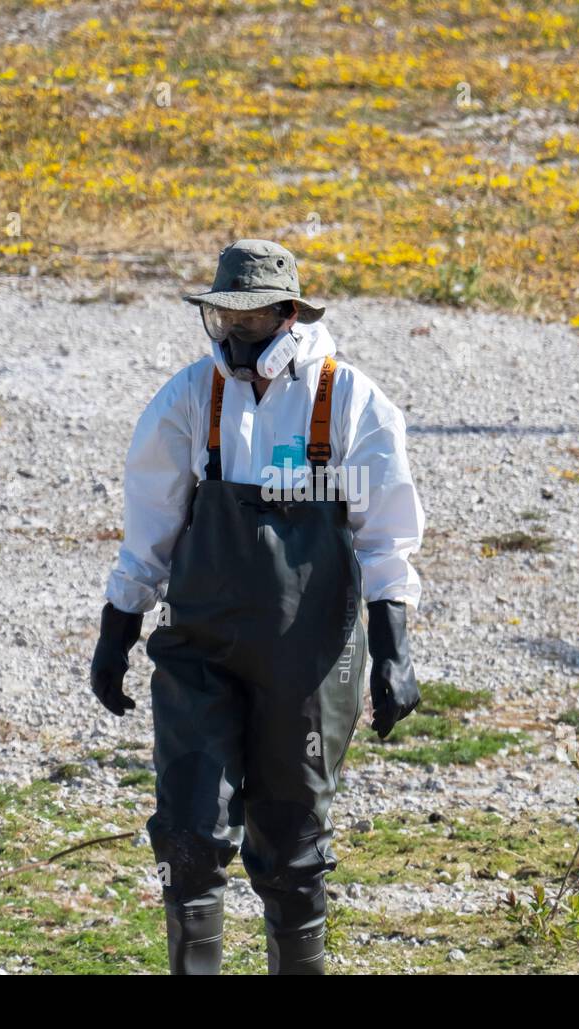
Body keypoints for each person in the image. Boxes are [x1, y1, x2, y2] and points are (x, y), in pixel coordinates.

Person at [90, 238, 425, 974]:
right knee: (188, 833)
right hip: (200, 650)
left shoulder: (350, 401)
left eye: (250, 319)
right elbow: (149, 525)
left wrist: (393, 651)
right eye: (224, 318)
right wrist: (118, 629)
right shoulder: (188, 398)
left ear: (287, 313)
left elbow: (386, 539)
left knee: (293, 845)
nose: (236, 335)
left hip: (310, 660)